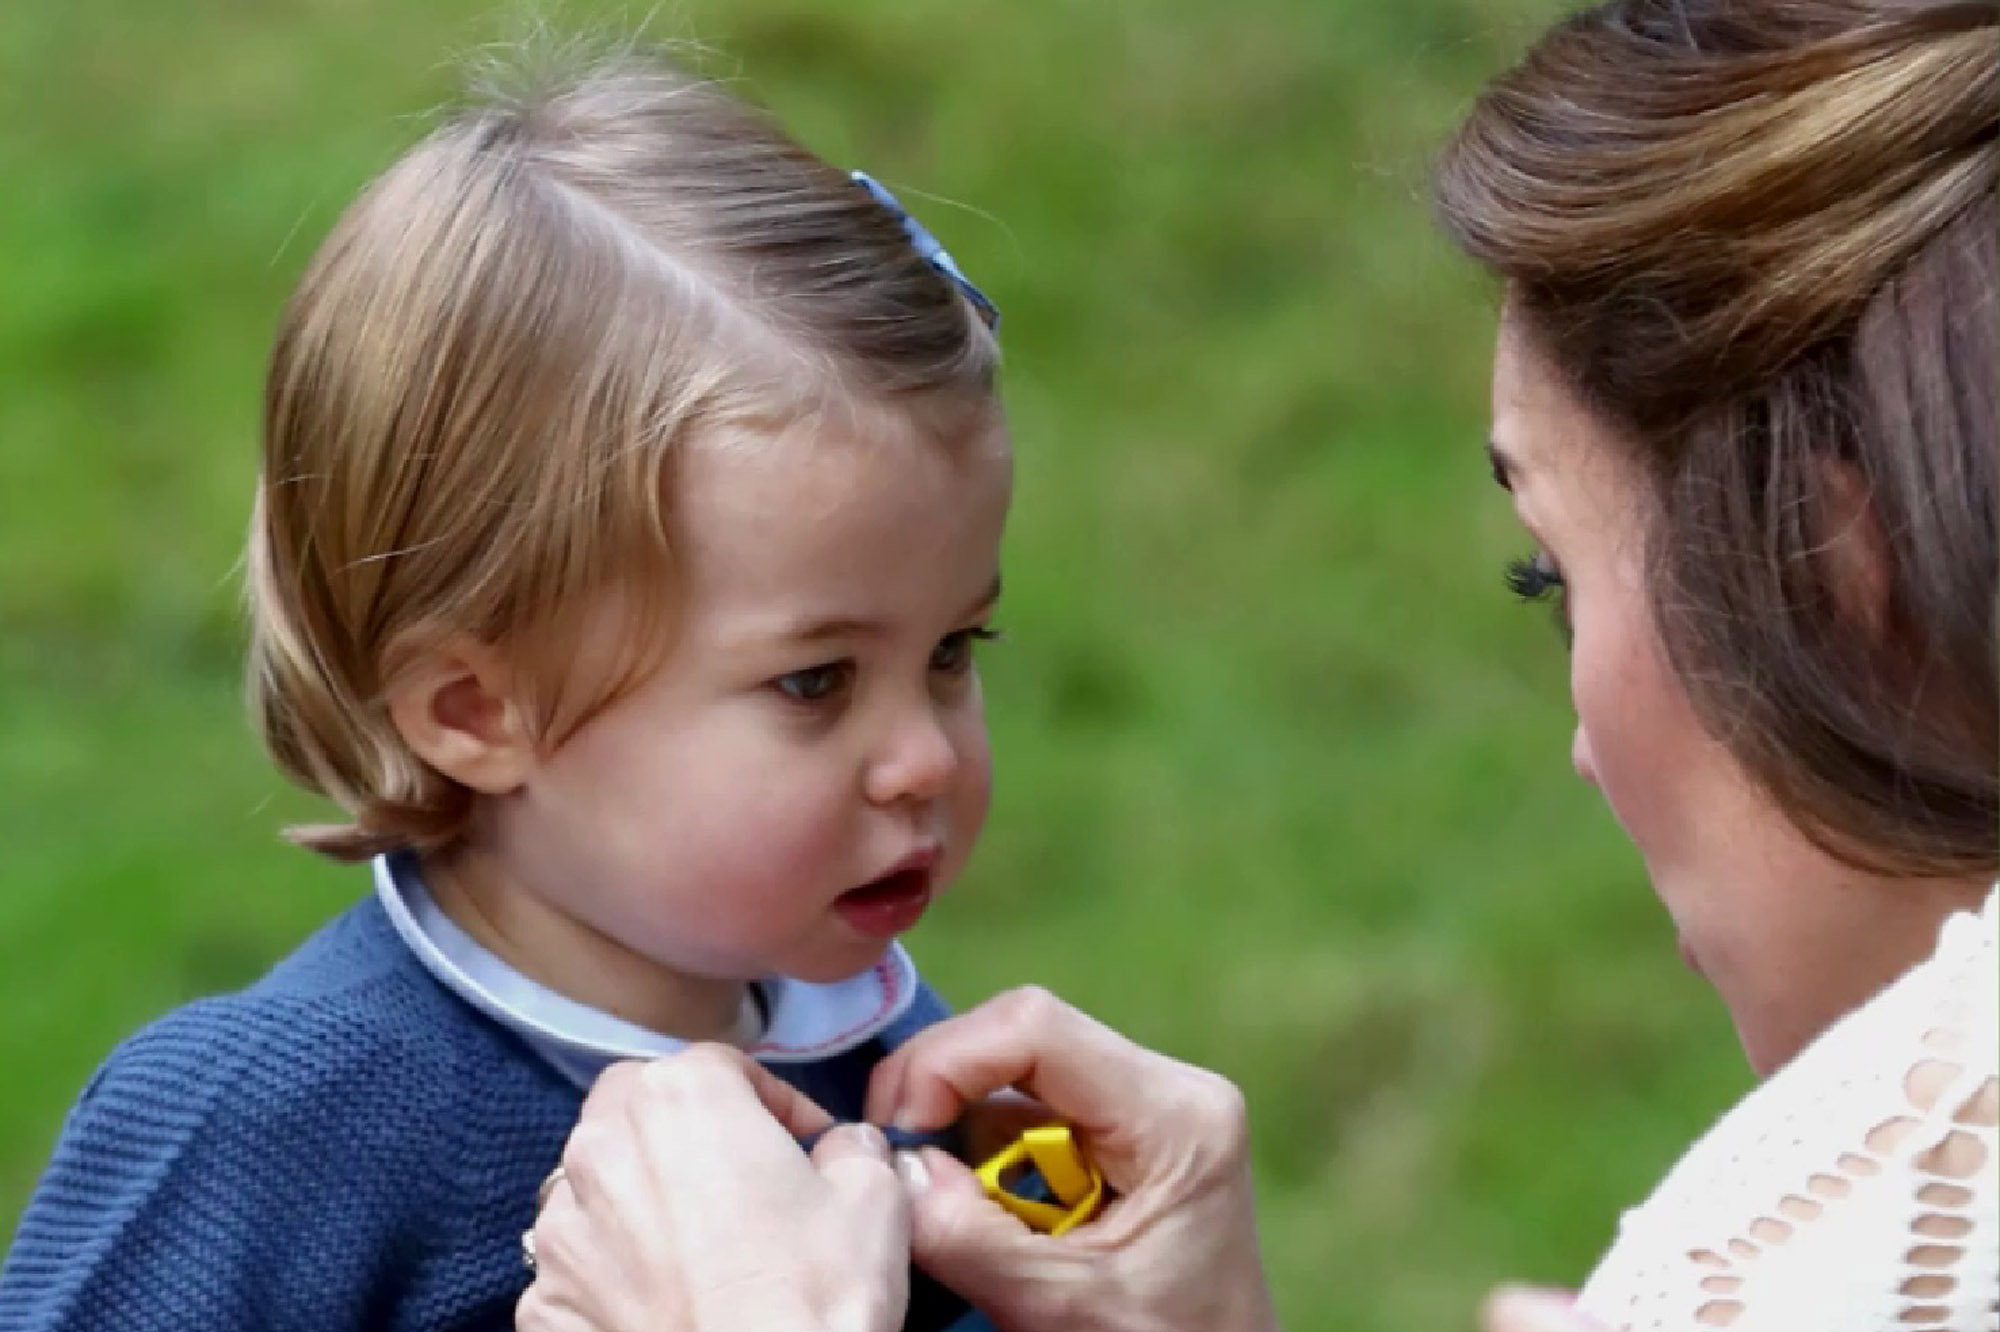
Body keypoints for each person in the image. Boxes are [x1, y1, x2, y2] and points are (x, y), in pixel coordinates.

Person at [513, 1, 1998, 1328]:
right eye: (815, 678)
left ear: (1839, 564)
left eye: (1555, 576)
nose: (1580, 750)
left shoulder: (1850, 1257)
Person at [0, 44, 1011, 1332]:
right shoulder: (267, 1122)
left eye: (952, 652)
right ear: (478, 712)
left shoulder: (906, 1068)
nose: (922, 756)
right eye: (815, 681)